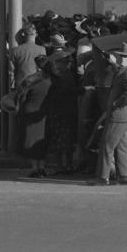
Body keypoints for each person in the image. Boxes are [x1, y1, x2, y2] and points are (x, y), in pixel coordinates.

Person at [89, 42, 127, 187]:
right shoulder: (125, 69)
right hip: (122, 115)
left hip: (119, 114)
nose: (123, 59)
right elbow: (120, 71)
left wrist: (117, 104)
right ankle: (124, 176)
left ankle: (103, 177)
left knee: (106, 145)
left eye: (126, 57)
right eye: (122, 56)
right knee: (121, 146)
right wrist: (113, 63)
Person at [44, 38, 83, 175]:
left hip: (59, 112)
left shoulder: (59, 76)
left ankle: (62, 165)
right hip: (66, 112)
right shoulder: (66, 76)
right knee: (67, 141)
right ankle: (67, 165)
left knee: (60, 141)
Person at [15, 57, 52, 178]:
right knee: (43, 140)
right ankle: (42, 167)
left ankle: (35, 168)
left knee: (30, 139)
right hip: (44, 113)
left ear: (37, 67)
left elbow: (20, 96)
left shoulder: (30, 80)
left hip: (29, 112)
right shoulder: (53, 80)